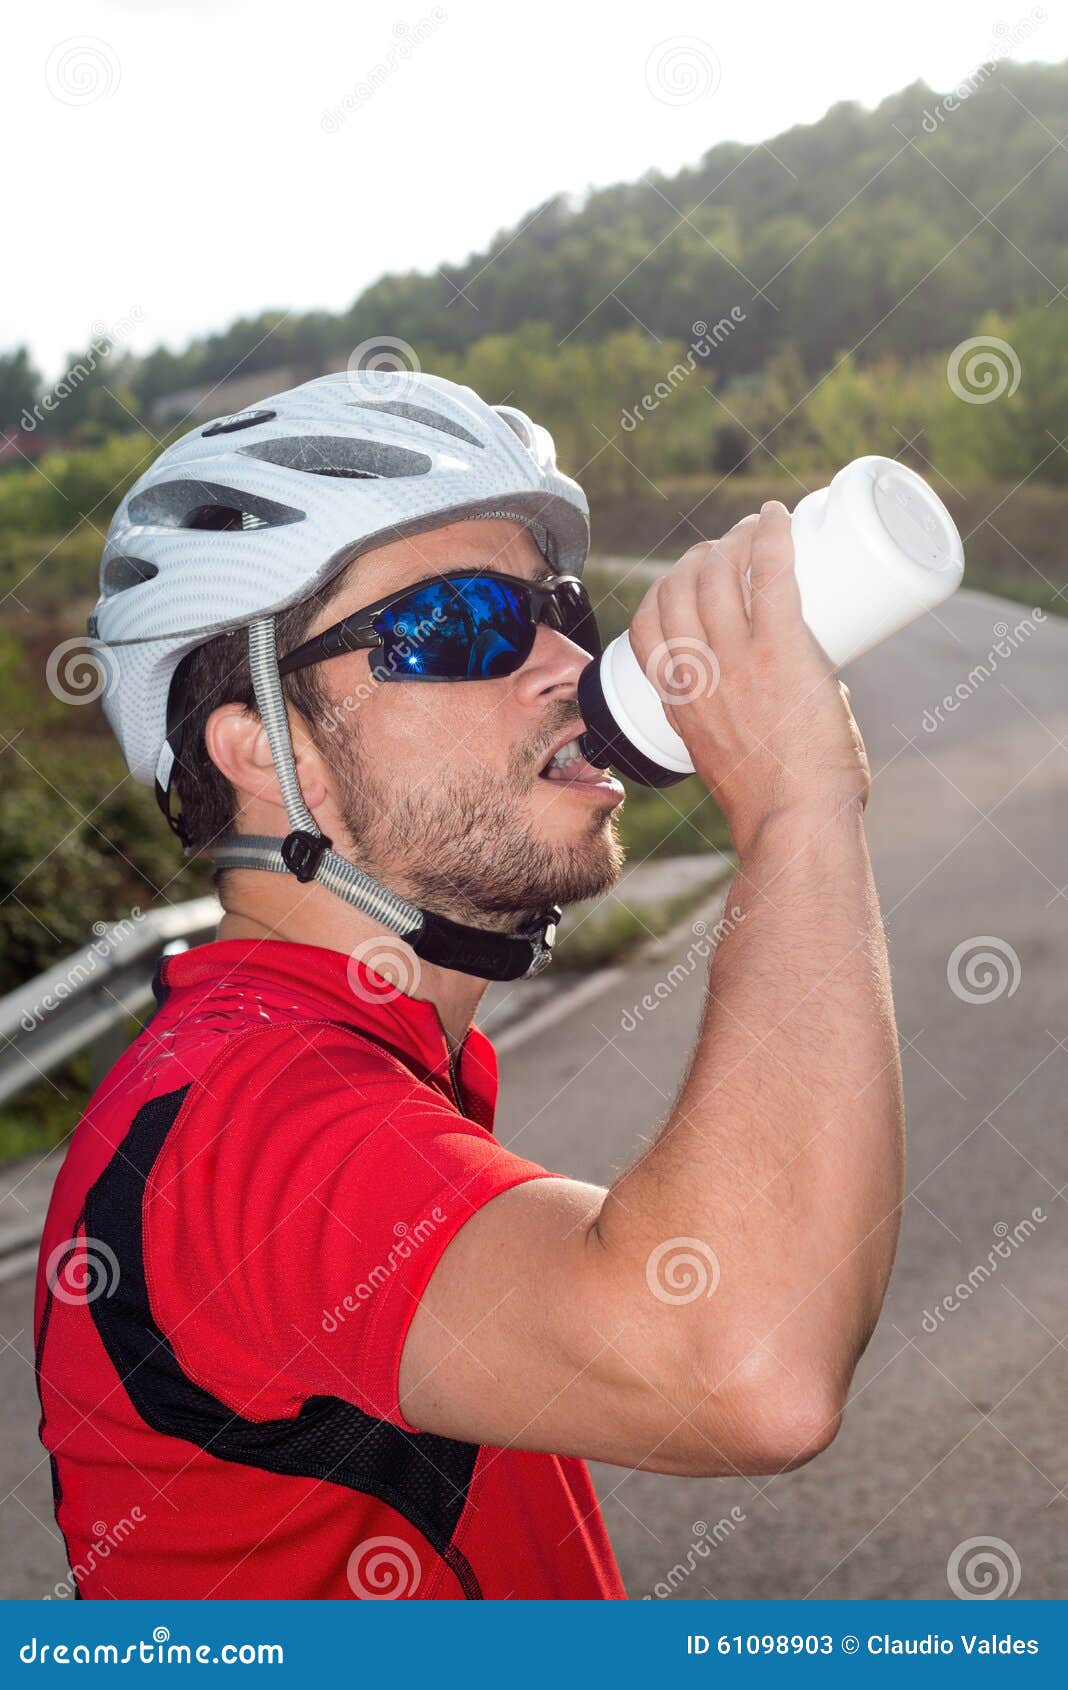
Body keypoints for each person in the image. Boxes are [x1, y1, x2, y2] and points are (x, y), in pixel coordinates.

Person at [35, 370, 903, 1600]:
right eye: (464, 622)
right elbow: (750, 1363)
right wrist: (798, 811)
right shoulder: (243, 1111)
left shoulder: (346, 1058)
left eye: (559, 610)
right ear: (266, 755)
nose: (563, 659)